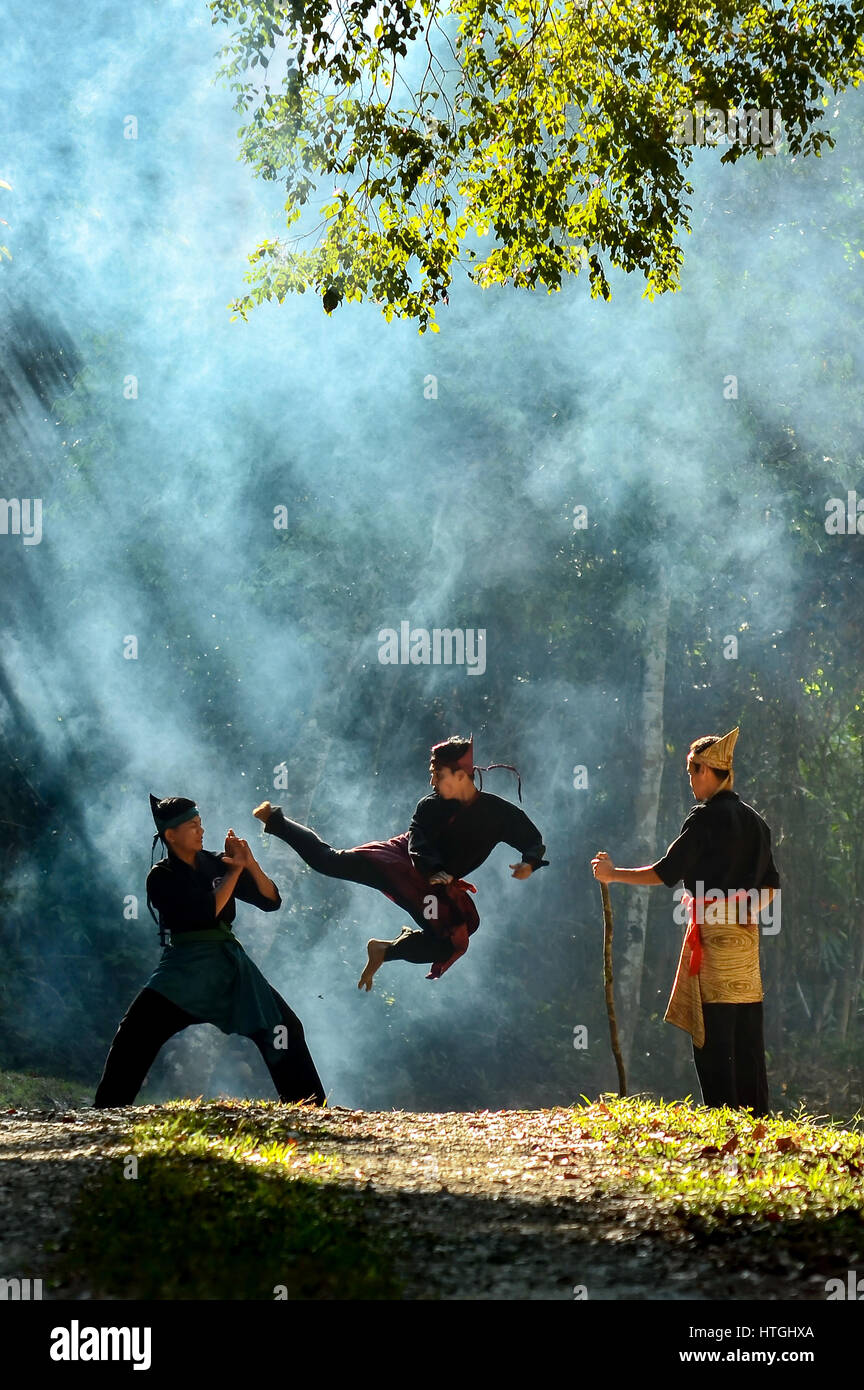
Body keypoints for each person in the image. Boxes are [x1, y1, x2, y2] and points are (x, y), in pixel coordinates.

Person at [254, 735, 548, 990]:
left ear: (460, 776)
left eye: (438, 774)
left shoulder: (496, 813)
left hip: (436, 886)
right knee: (329, 861)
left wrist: (530, 862)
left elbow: (530, 836)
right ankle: (275, 819)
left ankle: (385, 950)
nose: (432, 781)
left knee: (452, 941)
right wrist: (436, 872)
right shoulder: (430, 805)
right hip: (400, 864)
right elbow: (418, 844)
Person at [591, 727, 780, 1116]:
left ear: (712, 771)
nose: (691, 778)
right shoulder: (756, 822)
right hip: (746, 942)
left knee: (713, 1032)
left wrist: (612, 874)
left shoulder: (705, 818)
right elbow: (772, 887)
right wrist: (745, 913)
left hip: (712, 939)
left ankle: (724, 1117)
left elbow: (665, 872)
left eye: (694, 770)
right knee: (746, 1029)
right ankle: (756, 1117)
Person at [94, 794, 326, 1107]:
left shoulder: (218, 862)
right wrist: (233, 873)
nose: (201, 830)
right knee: (134, 1034)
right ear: (171, 835)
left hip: (229, 965)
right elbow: (204, 913)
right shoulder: (162, 876)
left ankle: (310, 1108)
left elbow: (271, 900)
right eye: (192, 826)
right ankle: (107, 1110)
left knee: (285, 1027)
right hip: (184, 969)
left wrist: (249, 863)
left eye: (200, 823)